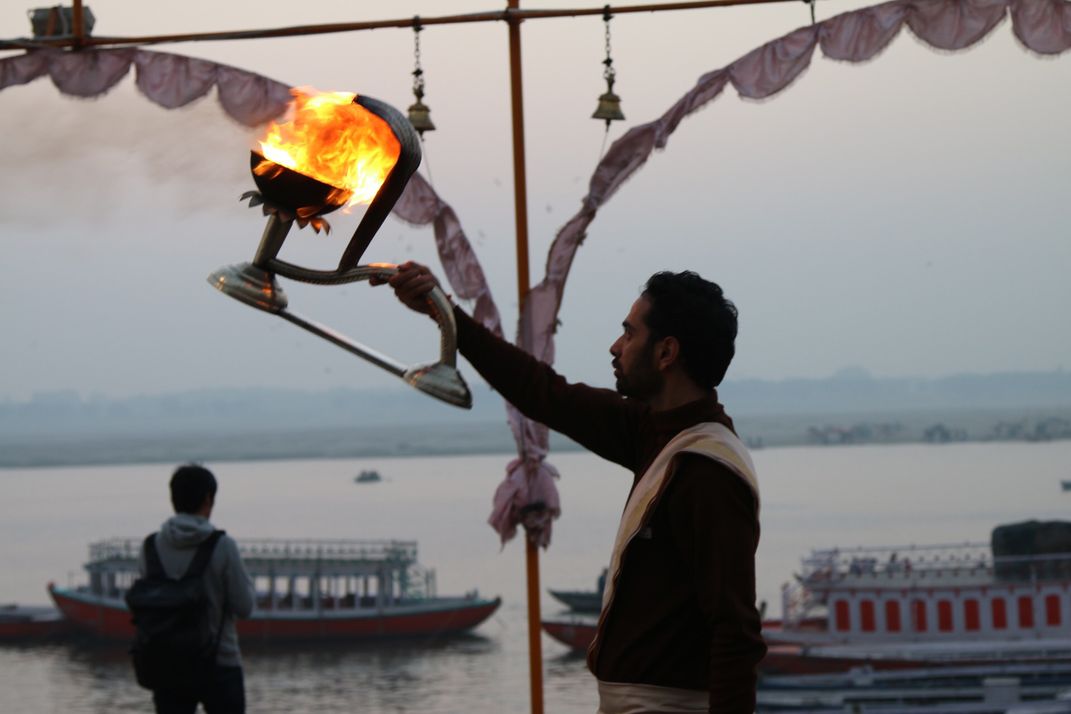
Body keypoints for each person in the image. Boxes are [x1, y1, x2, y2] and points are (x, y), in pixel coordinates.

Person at [377, 262, 765, 713]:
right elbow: (542, 391)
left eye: (629, 333)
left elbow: (735, 634)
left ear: (666, 353)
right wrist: (442, 310)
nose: (615, 347)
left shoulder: (707, 472)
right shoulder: (652, 430)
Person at [142, 464, 256, 714]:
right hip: (219, 663)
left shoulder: (150, 546)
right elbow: (245, 607)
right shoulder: (223, 546)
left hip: (167, 664)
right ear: (208, 498)